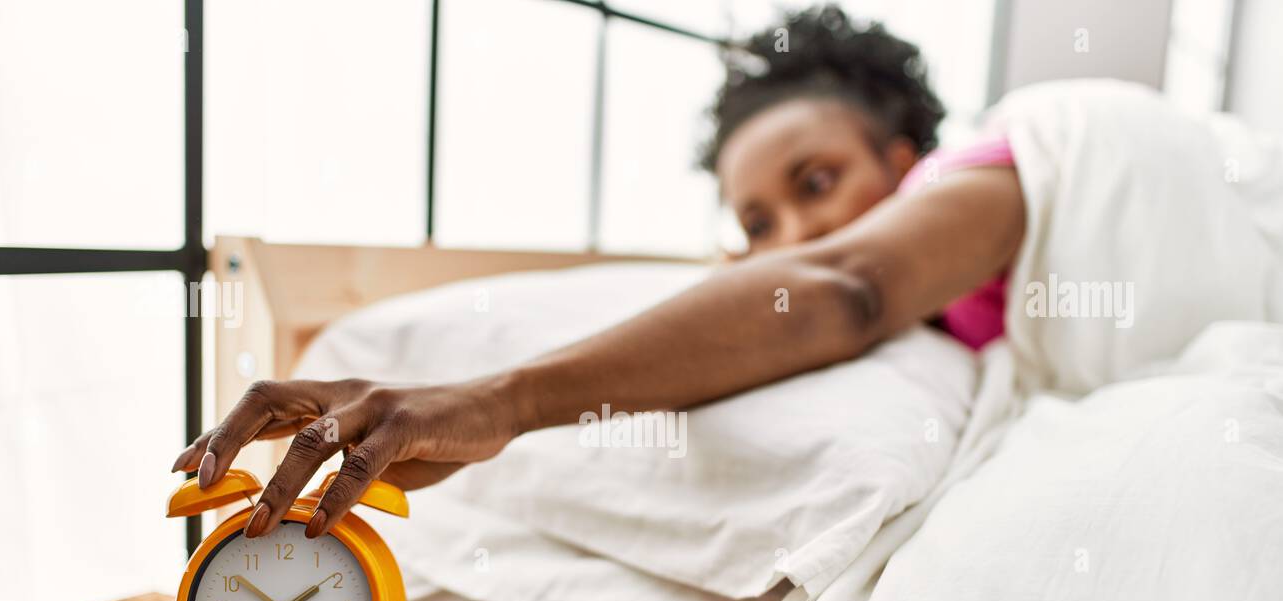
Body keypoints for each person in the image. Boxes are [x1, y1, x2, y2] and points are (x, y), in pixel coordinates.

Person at [172, 5, 1025, 541]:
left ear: (906, 159)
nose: (798, 234)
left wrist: (497, 402)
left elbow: (847, 291)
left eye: (817, 182)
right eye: (759, 225)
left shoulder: (982, 171)